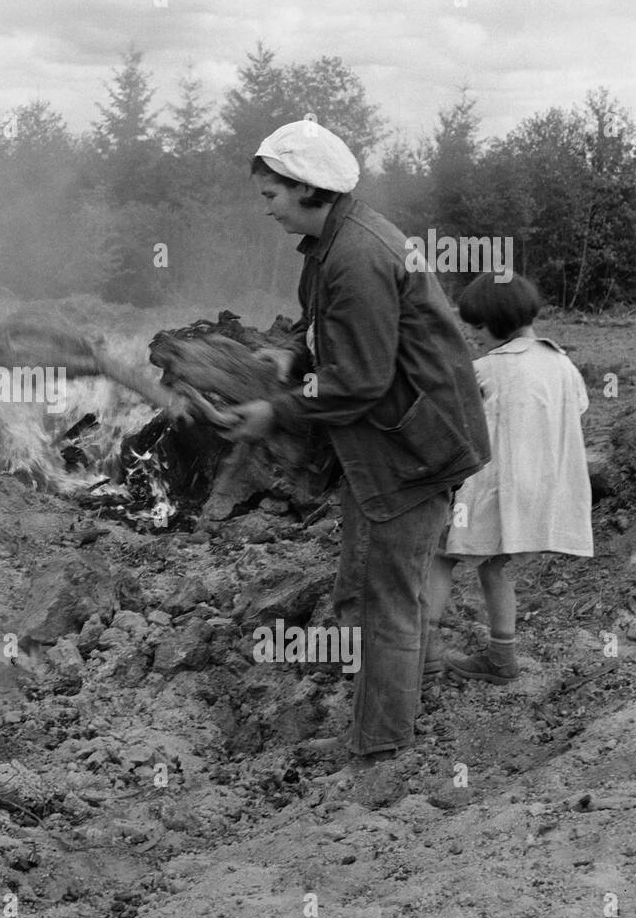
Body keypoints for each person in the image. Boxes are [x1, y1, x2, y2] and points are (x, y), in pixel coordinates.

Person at [224, 120, 490, 764]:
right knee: (365, 592)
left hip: (408, 448)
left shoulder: (358, 256)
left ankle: (381, 751)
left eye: (271, 196)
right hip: (386, 439)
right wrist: (290, 360)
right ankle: (377, 723)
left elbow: (360, 379)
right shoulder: (330, 244)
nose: (266, 210)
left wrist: (274, 412)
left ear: (307, 189)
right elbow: (329, 338)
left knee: (385, 603)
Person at [425, 273, 593, 685]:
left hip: (486, 492)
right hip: (538, 494)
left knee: (440, 555)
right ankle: (502, 659)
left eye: (477, 328)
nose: (474, 336)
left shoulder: (484, 371)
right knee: (495, 566)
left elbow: (455, 426)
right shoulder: (563, 365)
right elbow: (580, 410)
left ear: (495, 323)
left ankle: (422, 657)